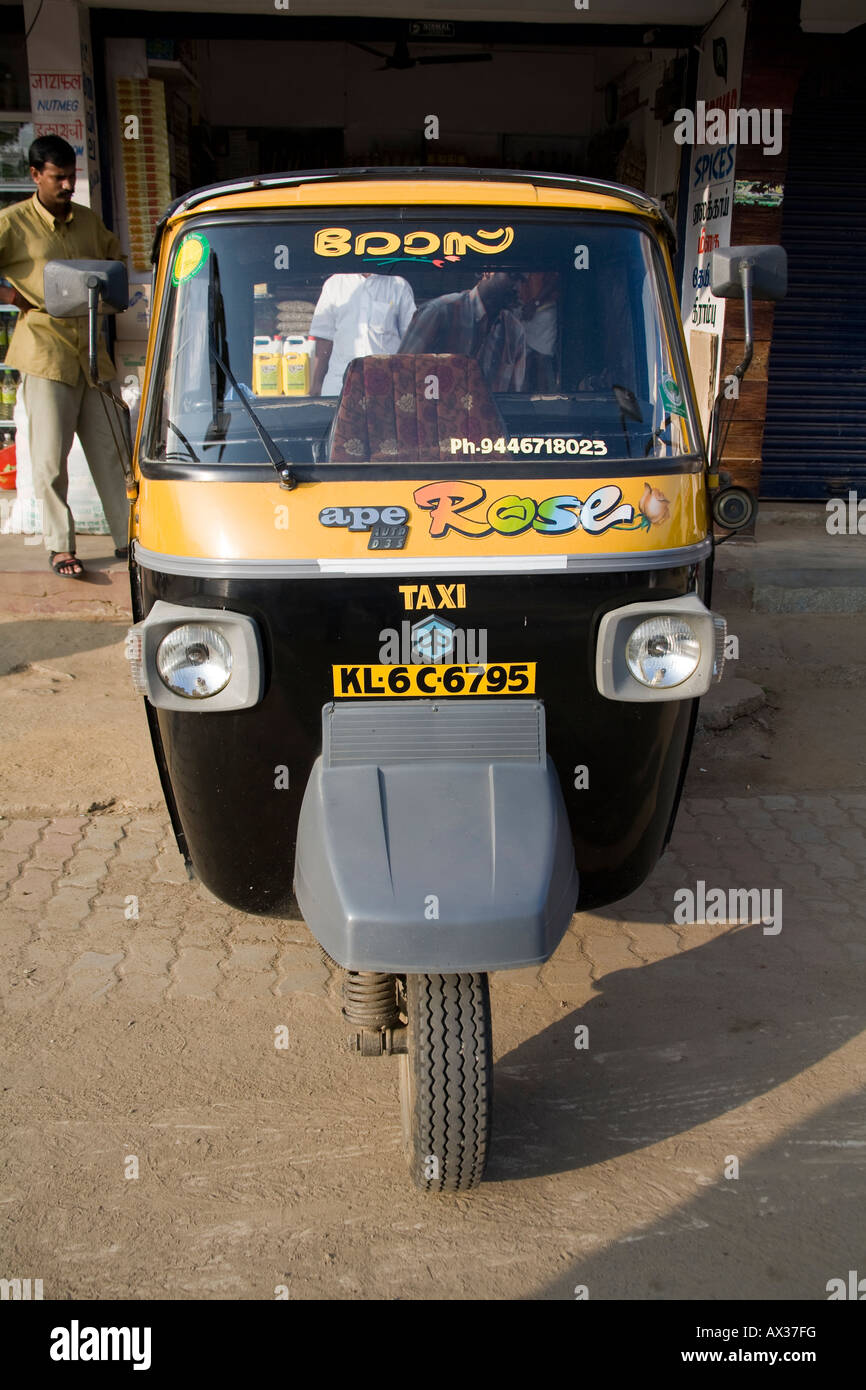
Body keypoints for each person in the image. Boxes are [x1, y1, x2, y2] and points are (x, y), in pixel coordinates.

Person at [0, 135, 130, 576]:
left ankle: (127, 539)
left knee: (114, 453)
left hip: (93, 353)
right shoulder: (14, 223)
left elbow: (117, 263)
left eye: (71, 176)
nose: (66, 185)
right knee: (51, 461)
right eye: (58, 177)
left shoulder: (89, 222)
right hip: (45, 351)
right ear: (35, 175)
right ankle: (60, 546)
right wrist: (11, 295)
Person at [398, 270, 527, 391]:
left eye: (522, 281)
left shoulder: (514, 331)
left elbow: (513, 396)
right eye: (513, 276)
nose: (518, 288)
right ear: (487, 271)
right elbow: (402, 373)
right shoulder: (440, 311)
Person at [309, 272, 416, 396]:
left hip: (387, 384)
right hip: (339, 383)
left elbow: (411, 337)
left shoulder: (397, 284)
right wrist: (317, 382)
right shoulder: (334, 284)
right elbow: (324, 337)